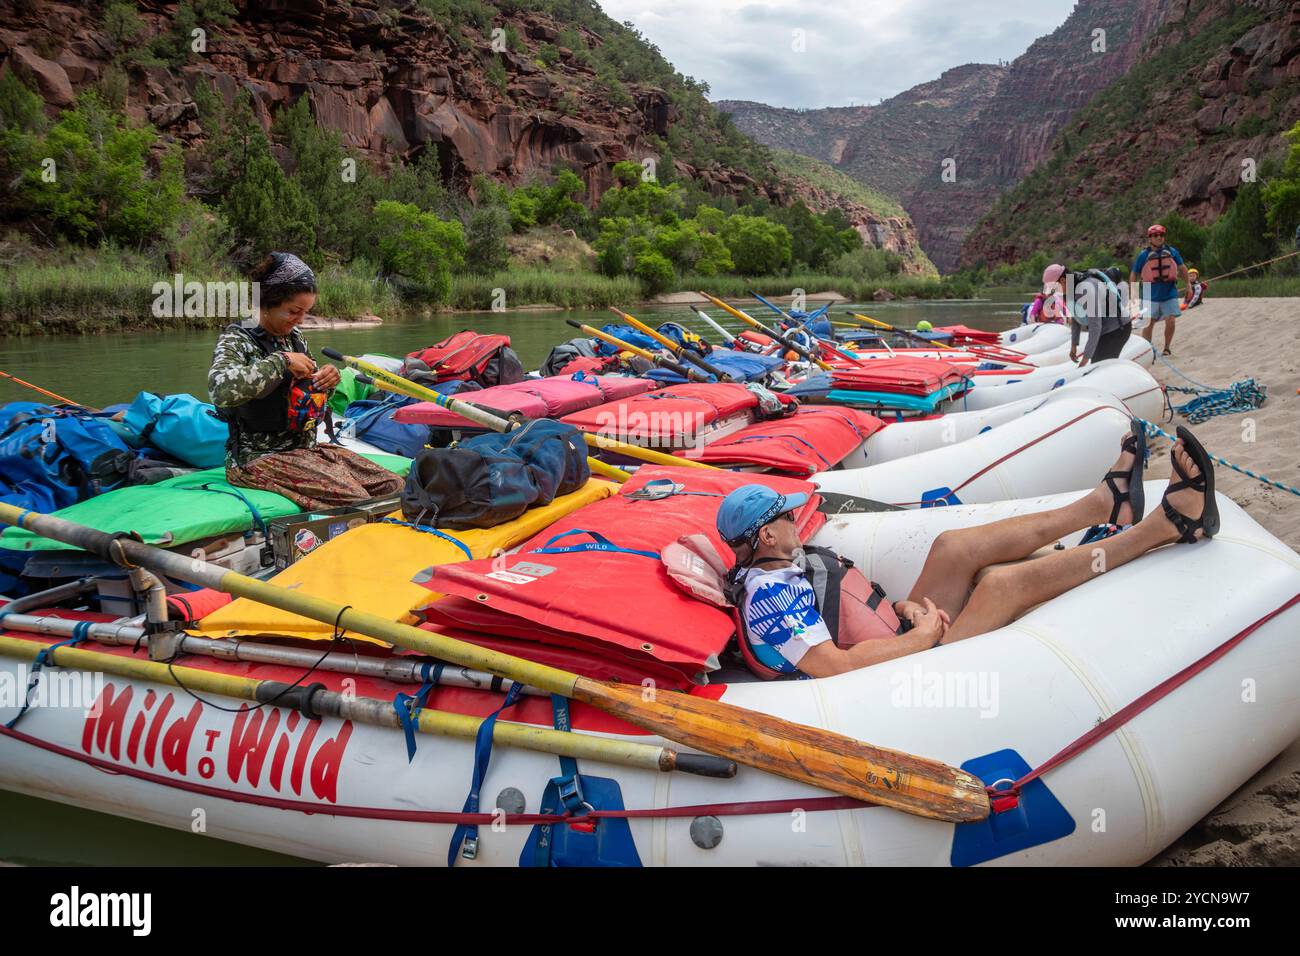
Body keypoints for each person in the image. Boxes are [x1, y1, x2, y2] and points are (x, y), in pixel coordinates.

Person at [718, 427, 1217, 678]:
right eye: (785, 516)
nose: (793, 519)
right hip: (895, 672)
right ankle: (1166, 526)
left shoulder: (784, 566)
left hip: (900, 634)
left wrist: (906, 610)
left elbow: (844, 615)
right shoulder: (771, 598)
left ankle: (1102, 504)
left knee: (953, 546)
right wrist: (924, 637)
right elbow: (837, 668)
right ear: (765, 537)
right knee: (1000, 583)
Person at [207, 252, 406, 510]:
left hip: (307, 450)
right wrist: (282, 362)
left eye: (305, 312)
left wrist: (328, 381)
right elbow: (220, 389)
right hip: (258, 458)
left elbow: (310, 396)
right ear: (268, 302)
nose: (300, 320)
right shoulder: (237, 339)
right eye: (293, 311)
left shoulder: (295, 337)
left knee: (393, 485)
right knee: (357, 498)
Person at [1130, 224, 1189, 356]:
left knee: (1171, 319)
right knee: (1148, 323)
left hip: (1169, 291)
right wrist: (1133, 292)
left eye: (1161, 235)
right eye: (1155, 235)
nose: (1159, 237)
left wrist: (1189, 285)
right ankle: (1147, 350)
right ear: (1150, 238)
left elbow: (1183, 268)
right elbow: (1134, 273)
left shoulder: (1172, 252)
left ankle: (1167, 348)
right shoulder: (1143, 255)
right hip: (1148, 293)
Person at [1069, 266, 1132, 366]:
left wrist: (1085, 359)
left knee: (1099, 366)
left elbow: (1095, 326)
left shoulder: (1084, 289)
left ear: (1063, 281)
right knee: (1097, 363)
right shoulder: (1070, 290)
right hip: (1106, 329)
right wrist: (1074, 344)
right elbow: (1076, 316)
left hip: (1117, 327)